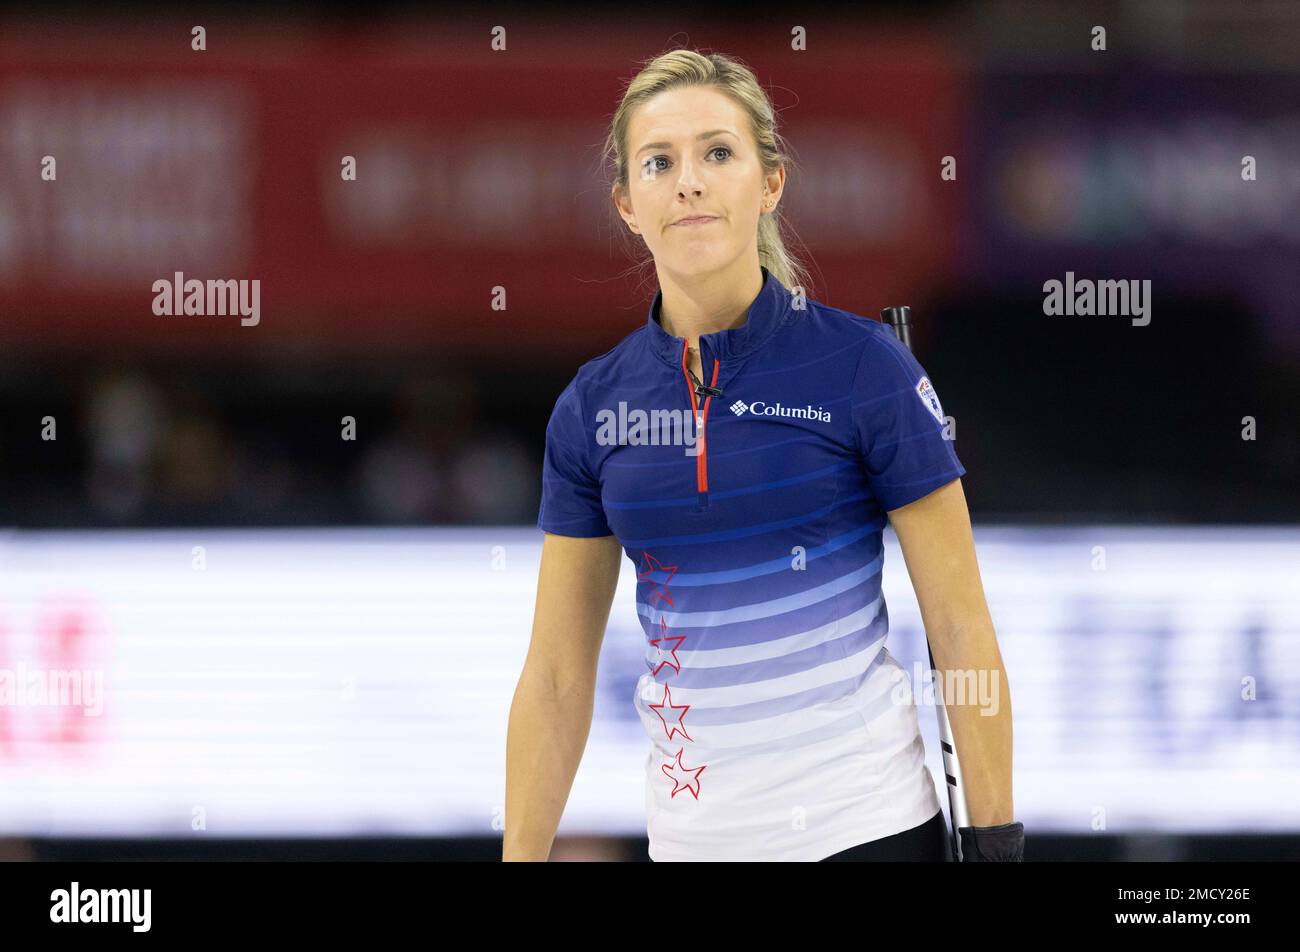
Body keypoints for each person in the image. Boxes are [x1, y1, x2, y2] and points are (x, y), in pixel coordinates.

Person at [504, 48, 1017, 862]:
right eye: (658, 162)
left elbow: (960, 630)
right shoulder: (594, 408)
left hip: (869, 832)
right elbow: (557, 678)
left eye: (718, 152)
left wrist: (996, 841)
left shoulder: (865, 369)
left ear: (770, 183)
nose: (689, 181)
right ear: (627, 203)